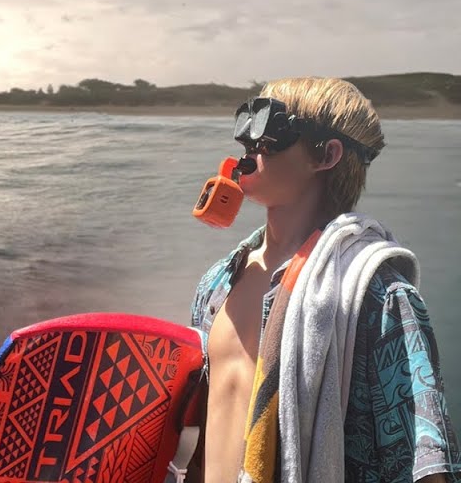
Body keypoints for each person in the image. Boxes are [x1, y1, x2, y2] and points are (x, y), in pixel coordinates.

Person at [183, 77, 461, 482]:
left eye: (268, 129)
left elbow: (425, 466)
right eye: (245, 126)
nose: (248, 144)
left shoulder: (379, 299)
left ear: (326, 155)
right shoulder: (219, 281)